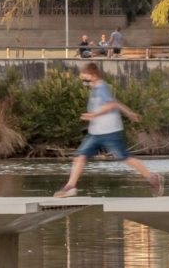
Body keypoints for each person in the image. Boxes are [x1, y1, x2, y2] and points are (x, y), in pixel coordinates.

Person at [54, 62, 162, 197]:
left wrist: (94, 115)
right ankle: (70, 187)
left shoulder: (102, 87)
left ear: (93, 76)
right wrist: (129, 113)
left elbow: (110, 105)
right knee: (80, 156)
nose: (83, 82)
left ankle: (152, 177)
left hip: (110, 131)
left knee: (125, 157)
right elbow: (115, 102)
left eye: (84, 78)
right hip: (95, 132)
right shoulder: (95, 87)